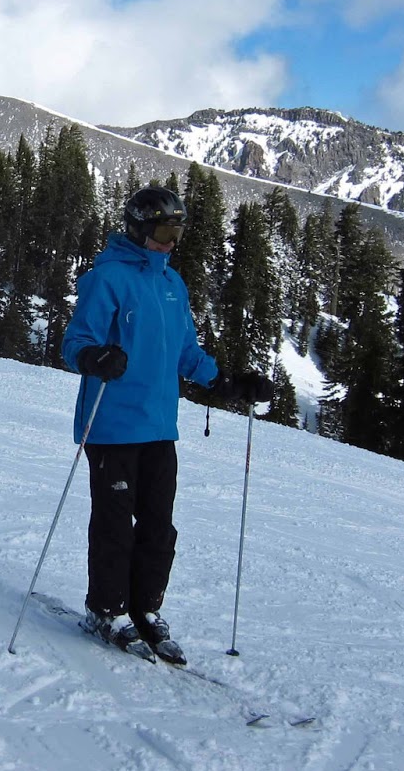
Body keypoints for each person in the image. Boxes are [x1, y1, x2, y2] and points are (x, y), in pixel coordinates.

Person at [61, 185, 265, 664]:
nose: (171, 240)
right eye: (163, 230)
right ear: (138, 228)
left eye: (178, 230)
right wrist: (95, 355)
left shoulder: (173, 285)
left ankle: (145, 609)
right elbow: (76, 340)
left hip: (159, 426)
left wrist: (229, 383)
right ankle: (106, 609)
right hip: (112, 423)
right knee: (114, 523)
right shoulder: (106, 277)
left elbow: (186, 354)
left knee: (159, 524)